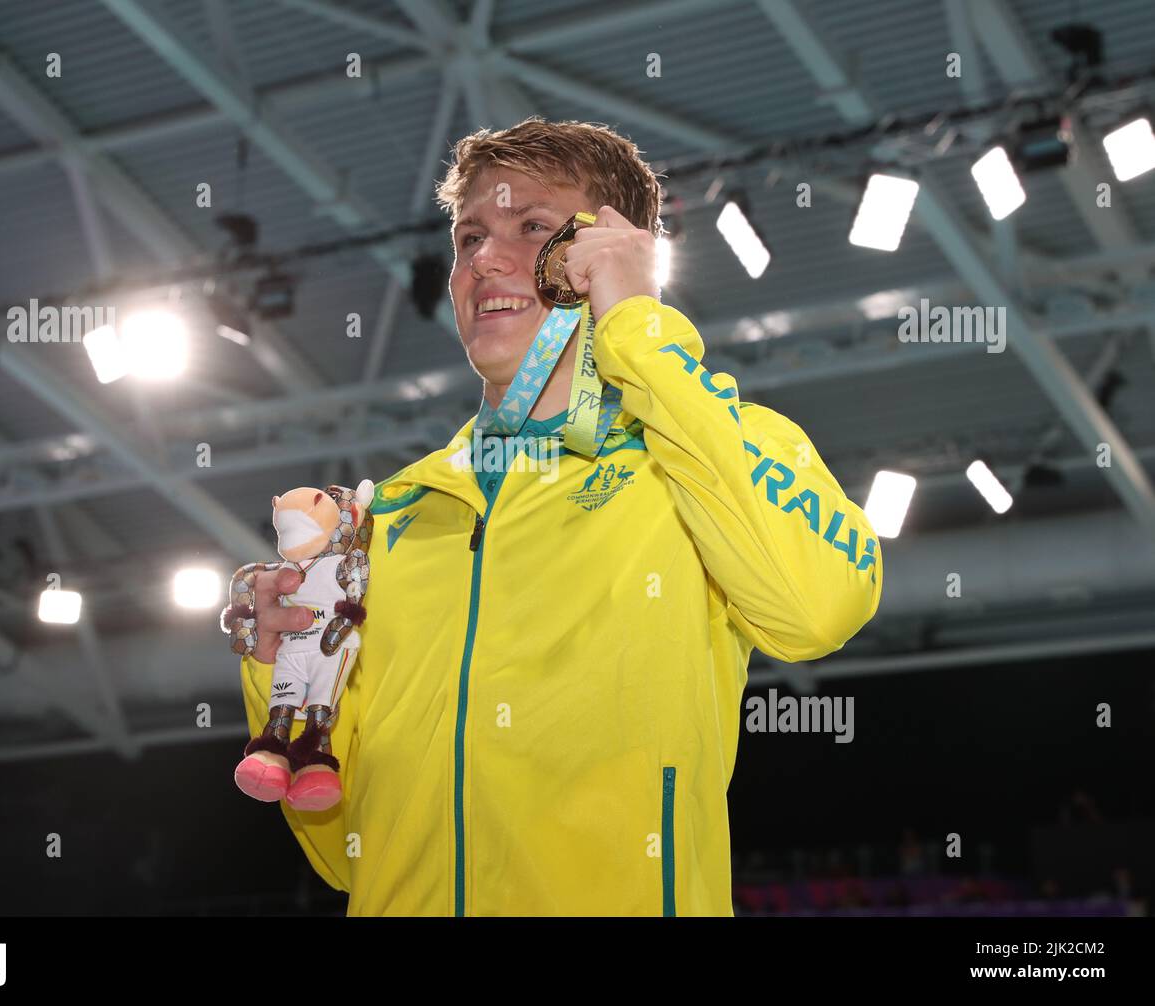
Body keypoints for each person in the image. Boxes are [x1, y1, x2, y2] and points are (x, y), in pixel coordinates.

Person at [237, 117, 883, 916]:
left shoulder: (706, 454)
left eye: (531, 227)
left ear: (607, 250)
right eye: (469, 235)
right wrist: (277, 664)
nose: (484, 259)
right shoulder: (392, 518)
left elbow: (819, 609)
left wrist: (638, 331)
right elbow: (347, 850)